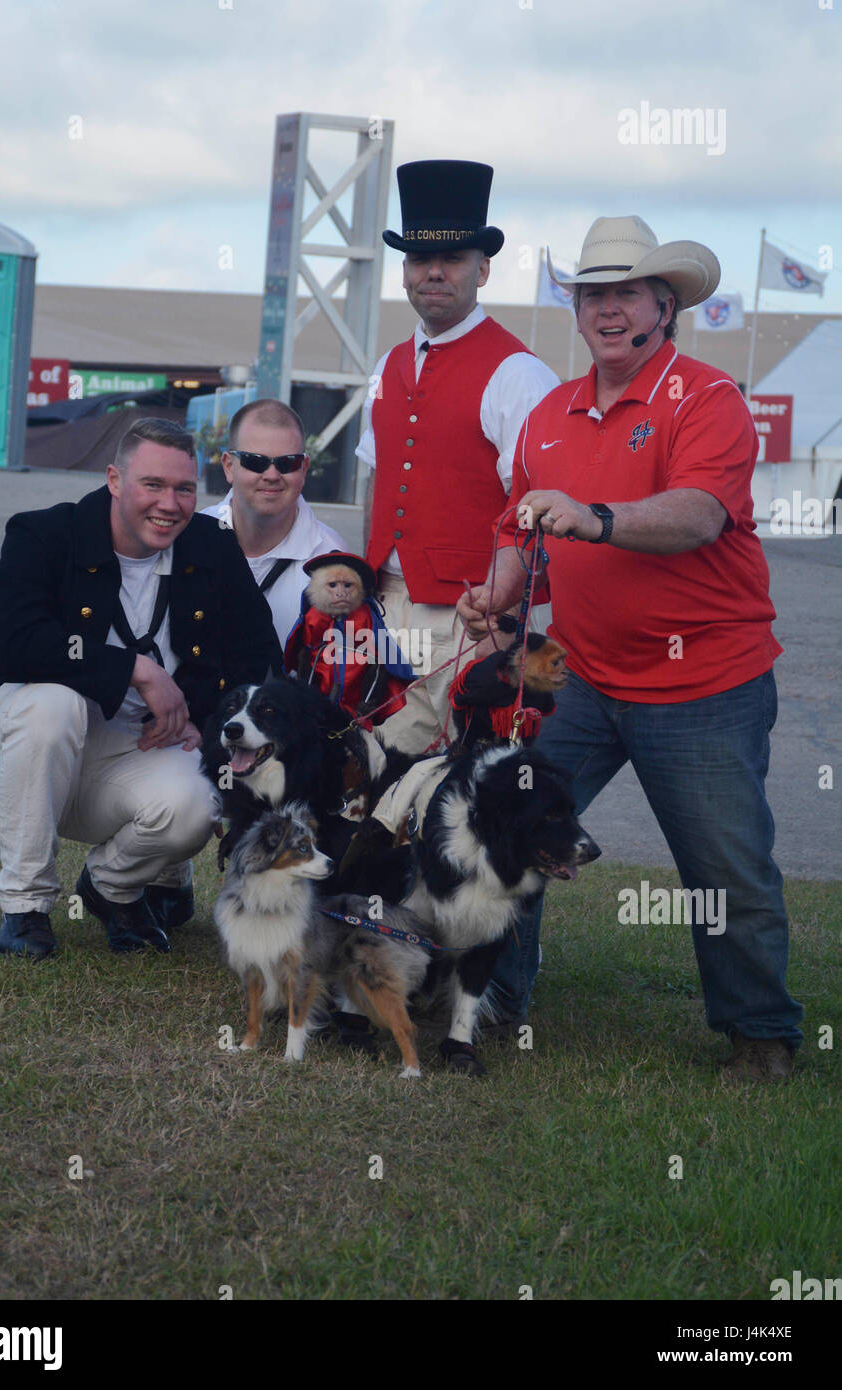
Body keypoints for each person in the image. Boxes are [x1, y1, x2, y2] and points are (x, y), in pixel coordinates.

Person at [458, 216, 803, 1081]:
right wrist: (498, 590)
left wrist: (596, 518)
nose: (605, 309)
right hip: (581, 672)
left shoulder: (708, 398)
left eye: (624, 293)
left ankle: (759, 1035)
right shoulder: (547, 413)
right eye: (591, 294)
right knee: (509, 817)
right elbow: (517, 521)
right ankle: (494, 1004)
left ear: (663, 305)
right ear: (576, 309)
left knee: (723, 864)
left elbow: (697, 513)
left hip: (706, 681)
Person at [0, 418, 282, 960]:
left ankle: (111, 886)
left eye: (184, 489)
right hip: (30, 747)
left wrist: (206, 725)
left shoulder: (210, 545)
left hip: (139, 748)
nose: (170, 504)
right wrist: (135, 669)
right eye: (152, 485)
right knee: (52, 704)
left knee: (196, 802)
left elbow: (258, 657)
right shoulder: (45, 533)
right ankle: (25, 906)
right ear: (114, 479)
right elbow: (14, 642)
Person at [358, 158, 560, 754]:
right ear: (404, 272)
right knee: (375, 766)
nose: (435, 273)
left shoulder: (518, 372)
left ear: (484, 268)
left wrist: (504, 616)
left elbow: (535, 509)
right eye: (421, 260)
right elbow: (376, 480)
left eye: (452, 260)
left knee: (460, 774)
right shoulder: (387, 364)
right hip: (386, 603)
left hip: (468, 613)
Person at [201, 398, 346, 646]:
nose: (271, 475)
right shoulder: (192, 539)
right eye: (255, 462)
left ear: (304, 468)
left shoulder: (334, 559)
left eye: (287, 463)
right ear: (228, 466)